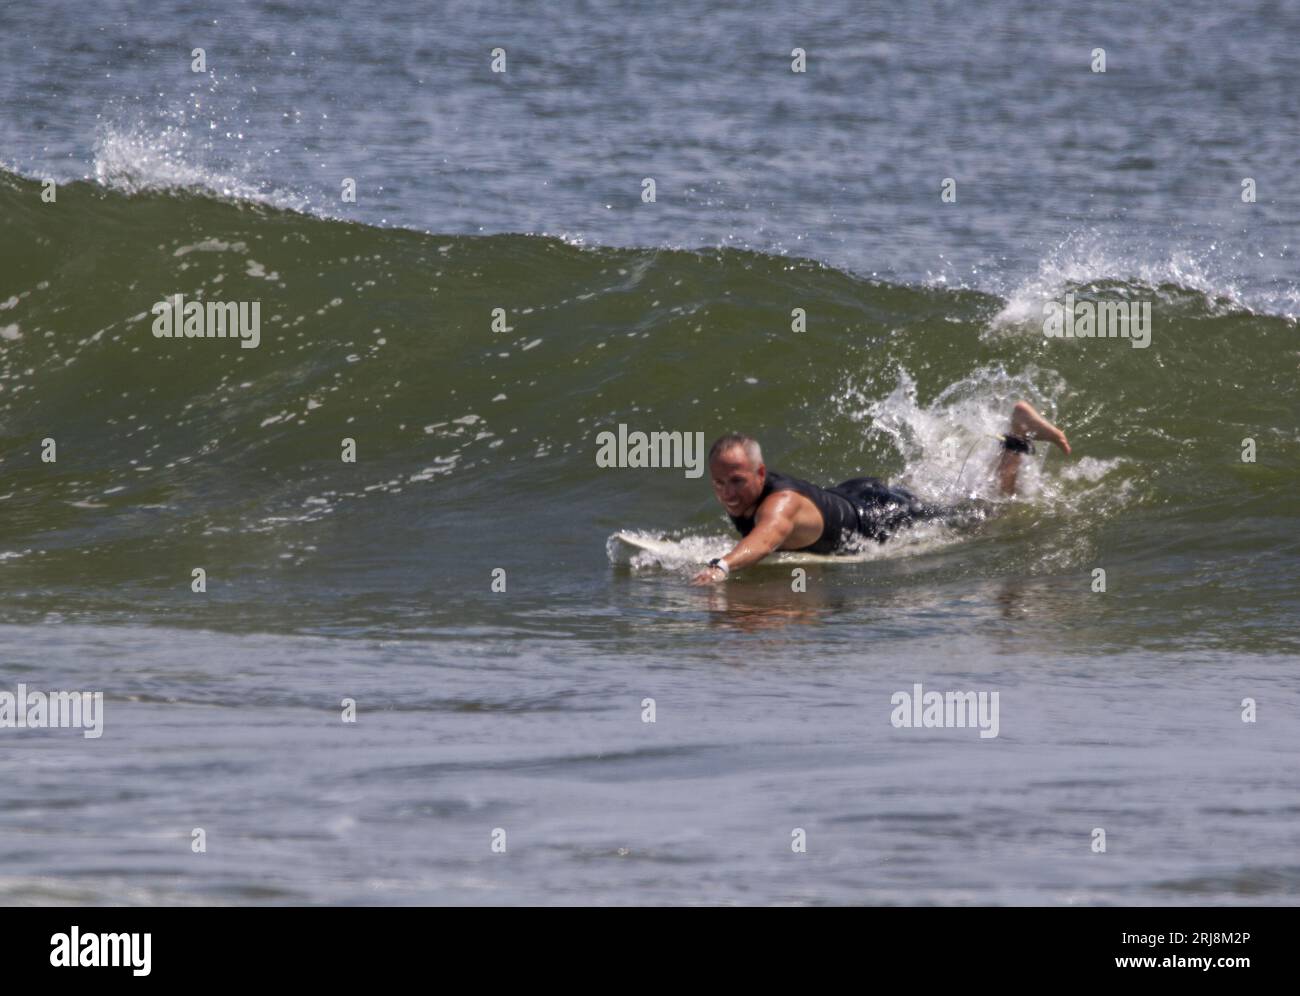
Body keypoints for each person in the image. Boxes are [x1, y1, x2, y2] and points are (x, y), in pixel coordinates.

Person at [689, 401, 1070, 585]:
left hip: (880, 518)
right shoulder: (750, 488)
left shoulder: (780, 504)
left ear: (760, 472)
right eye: (719, 483)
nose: (728, 492)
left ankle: (1018, 434)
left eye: (737, 481)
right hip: (853, 495)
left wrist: (721, 566)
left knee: (988, 517)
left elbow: (767, 536)